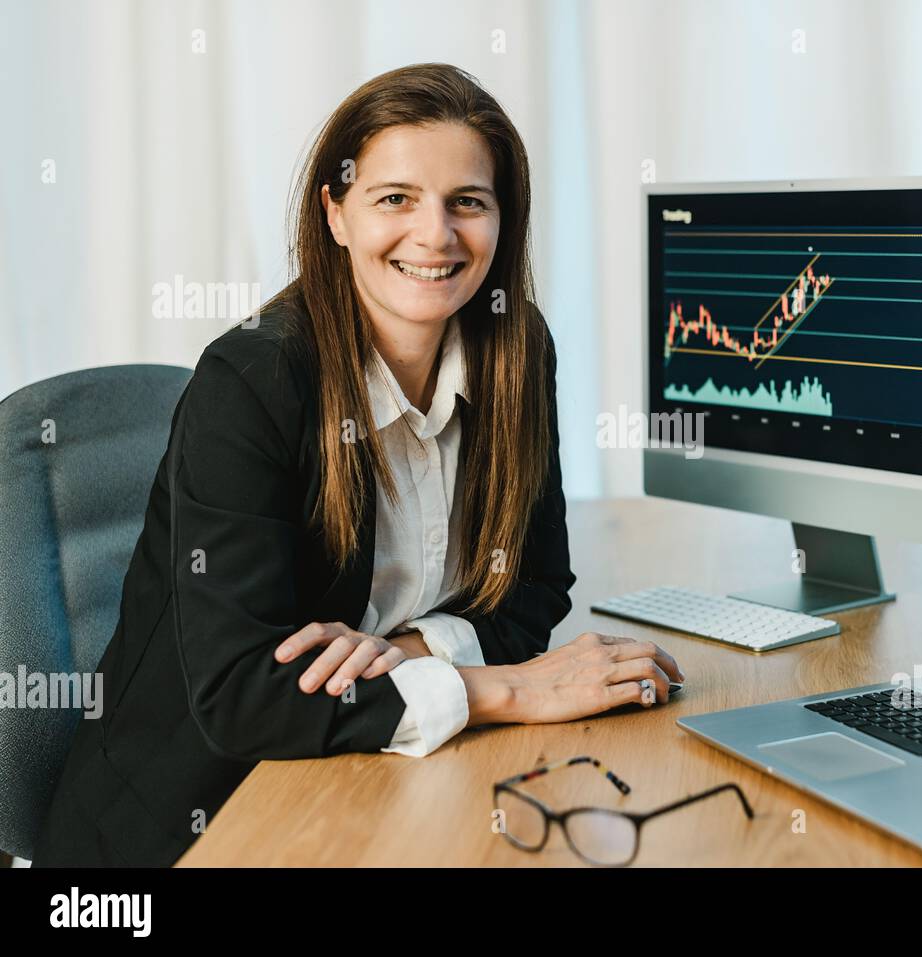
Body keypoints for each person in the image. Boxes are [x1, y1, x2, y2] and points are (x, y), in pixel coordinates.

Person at [32, 62, 682, 867]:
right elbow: (244, 698)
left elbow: (533, 589)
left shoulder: (517, 349)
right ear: (335, 212)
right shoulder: (253, 383)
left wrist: (404, 653)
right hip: (191, 826)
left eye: (467, 203)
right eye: (395, 199)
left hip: (367, 777)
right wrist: (507, 688)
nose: (435, 235)